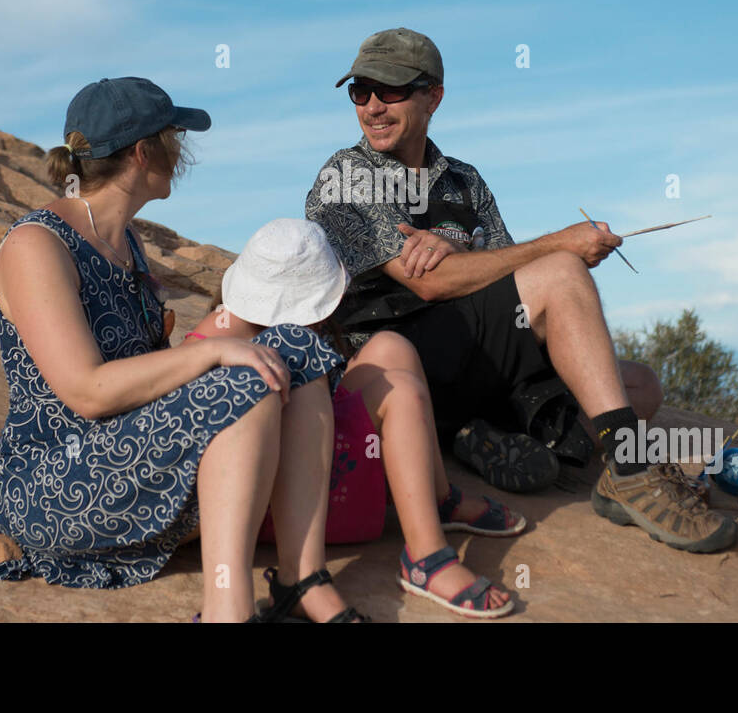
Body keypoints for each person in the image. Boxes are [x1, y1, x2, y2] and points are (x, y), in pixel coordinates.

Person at [0, 77, 366, 622]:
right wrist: (209, 355)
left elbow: (148, 375)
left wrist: (219, 342)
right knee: (245, 380)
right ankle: (228, 614)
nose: (180, 152)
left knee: (292, 347)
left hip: (127, 456)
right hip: (55, 485)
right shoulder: (37, 245)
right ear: (142, 152)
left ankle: (303, 579)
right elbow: (86, 390)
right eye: (174, 137)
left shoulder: (126, 241)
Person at [305, 28, 736, 553]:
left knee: (641, 388)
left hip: (473, 352)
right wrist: (561, 247)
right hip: (394, 367)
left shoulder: (465, 181)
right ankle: (629, 469)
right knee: (560, 272)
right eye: (360, 92)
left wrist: (461, 252)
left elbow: (506, 281)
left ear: (433, 95)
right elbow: (434, 283)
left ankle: (473, 434)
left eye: (390, 90)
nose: (372, 105)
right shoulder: (347, 175)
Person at [184, 218, 522, 618]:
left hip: (308, 453)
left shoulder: (236, 326)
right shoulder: (219, 353)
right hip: (285, 505)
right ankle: (427, 559)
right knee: (402, 393)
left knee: (392, 348)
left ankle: (437, 499)